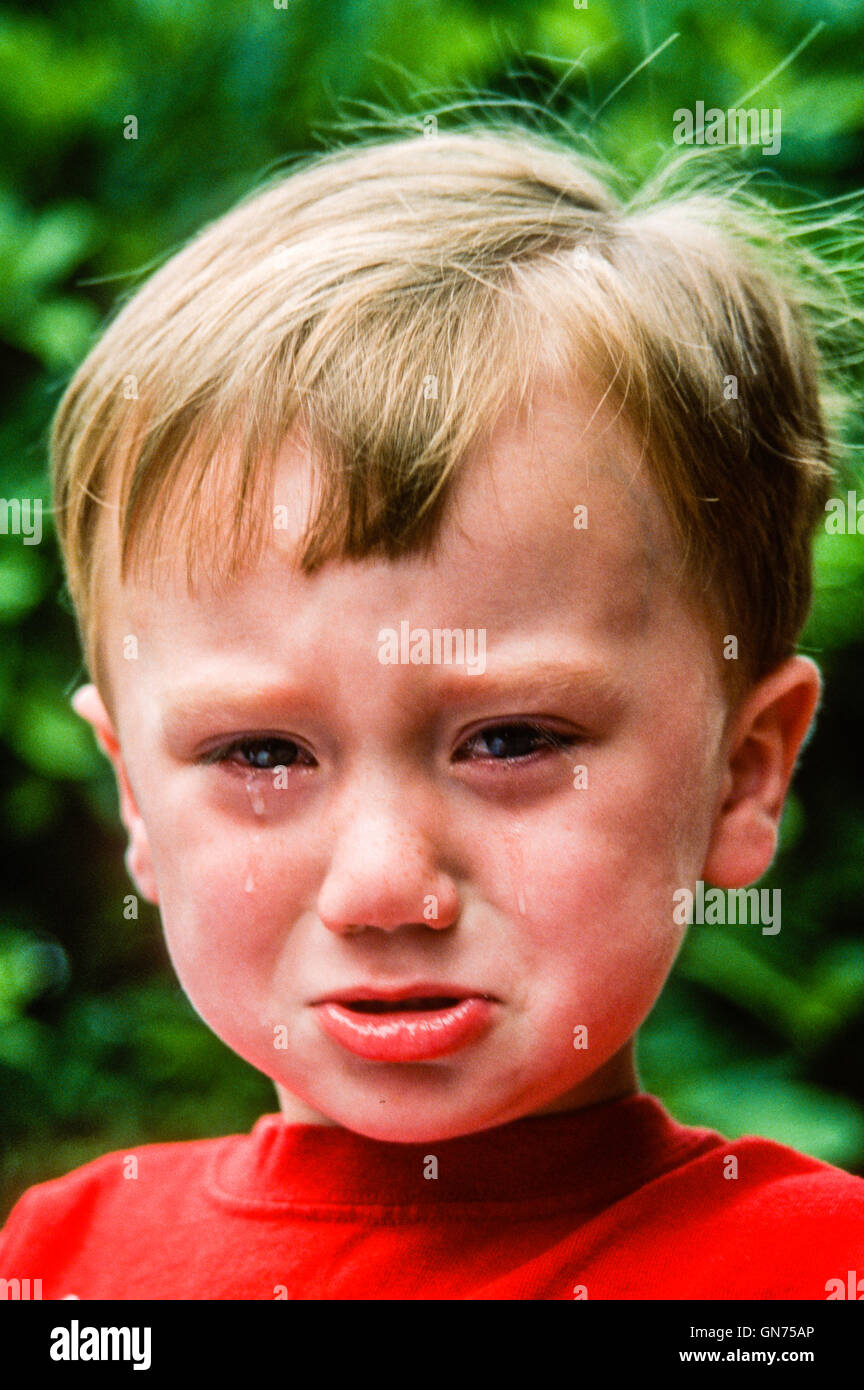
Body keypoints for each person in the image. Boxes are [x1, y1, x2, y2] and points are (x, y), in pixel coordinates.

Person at [2, 125, 862, 1300]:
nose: (382, 888)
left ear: (744, 771)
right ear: (134, 794)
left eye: (510, 740)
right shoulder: (60, 1268)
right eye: (261, 751)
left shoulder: (812, 1278)